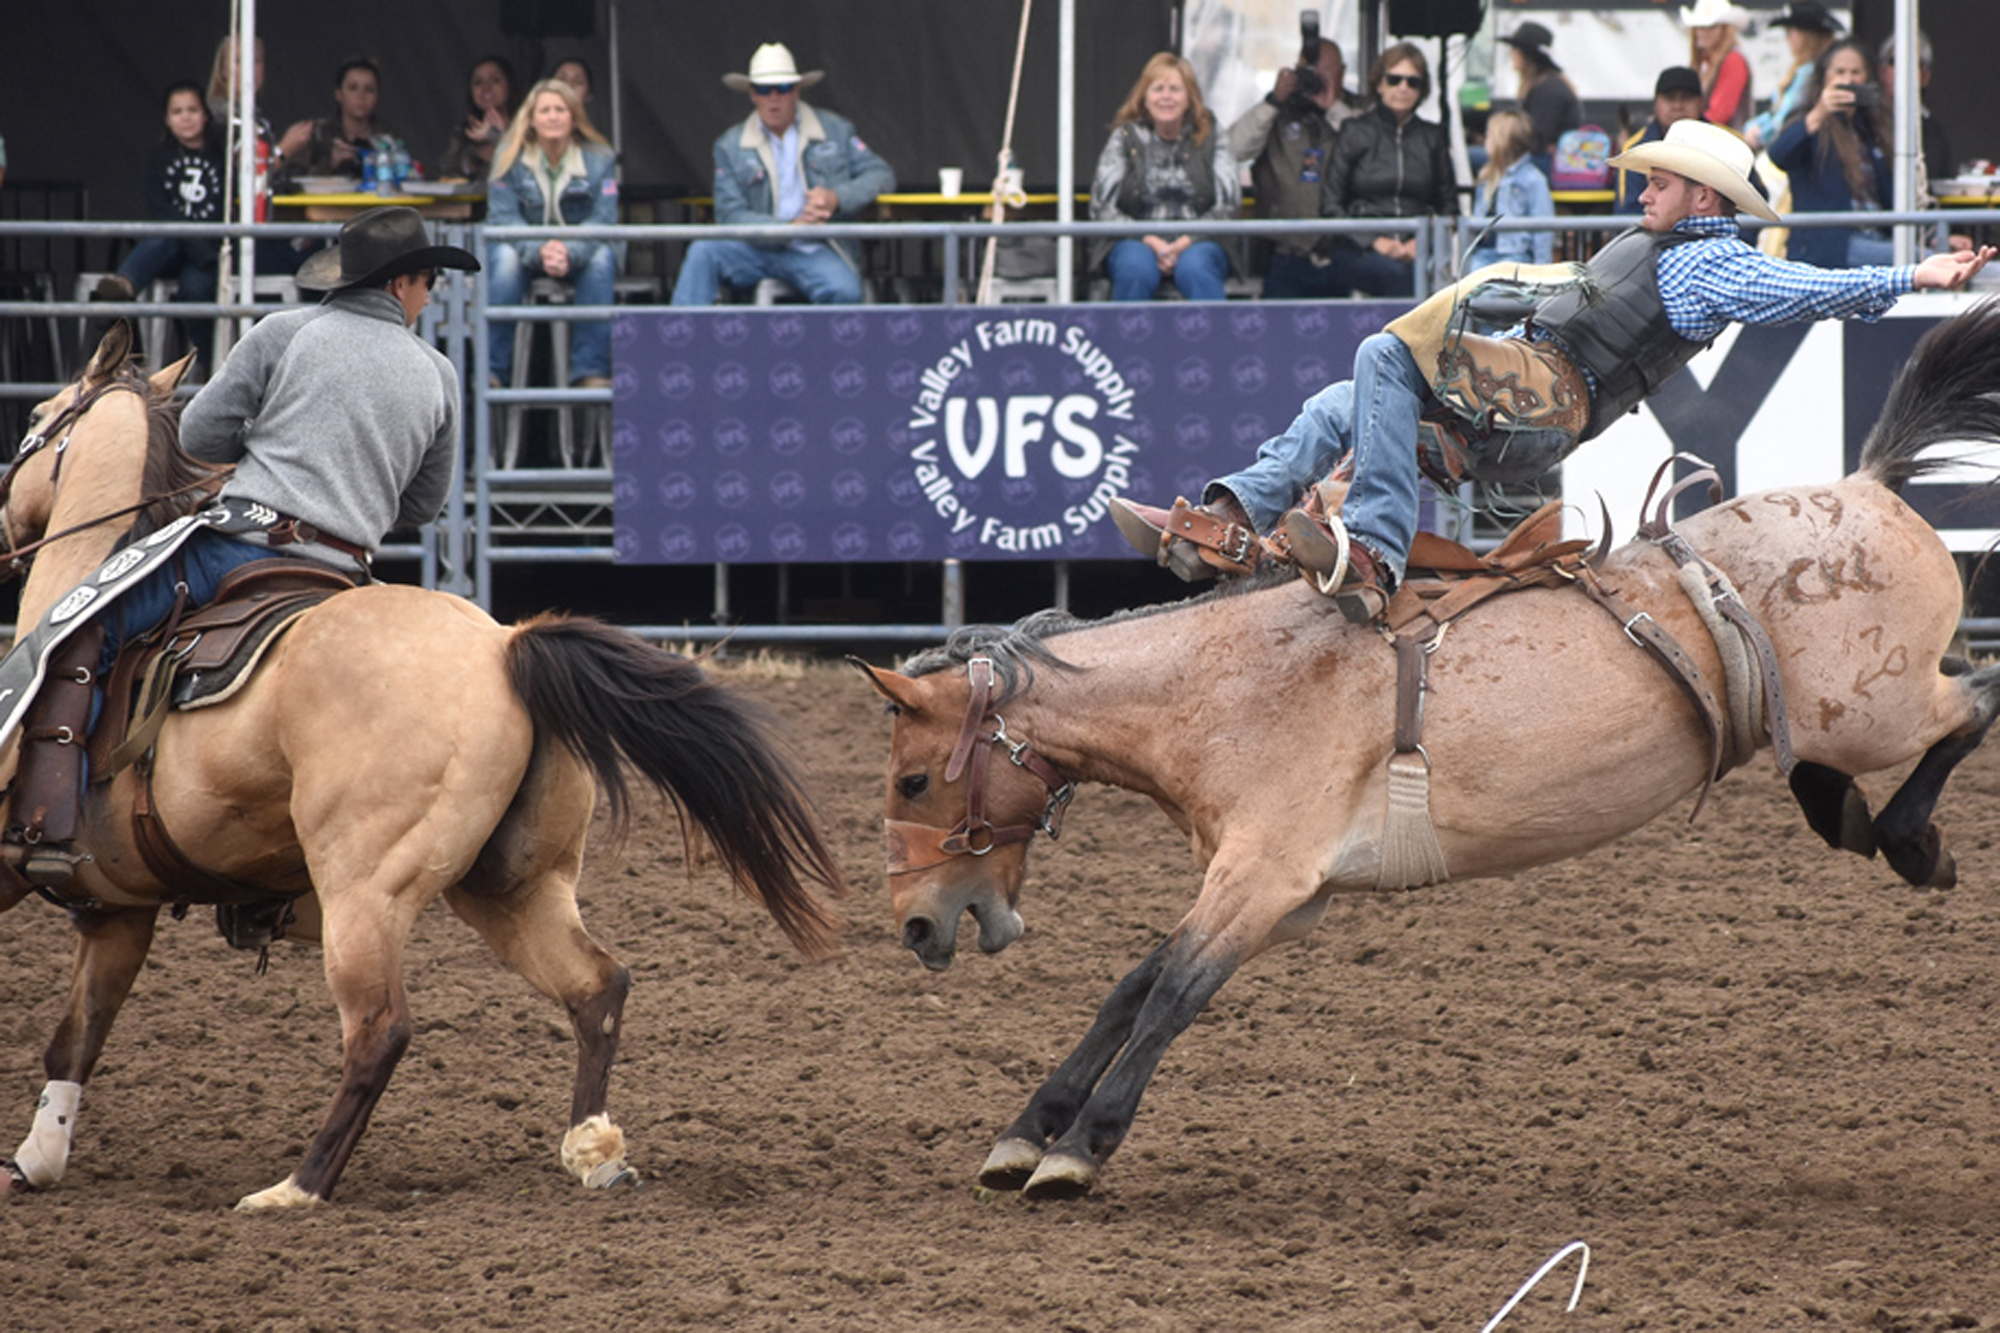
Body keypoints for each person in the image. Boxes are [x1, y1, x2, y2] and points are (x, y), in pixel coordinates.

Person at [1110, 119, 1992, 624]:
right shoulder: (1662, 246)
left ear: (1706, 199)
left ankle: (1374, 553)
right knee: (1342, 402)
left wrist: (1909, 275)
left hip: (1543, 397)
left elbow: (1798, 287)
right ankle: (1226, 524)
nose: (1644, 188)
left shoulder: (1706, 262)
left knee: (1383, 353)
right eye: (1649, 176)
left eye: (1664, 179)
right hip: (1524, 393)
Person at [11, 206, 478, 887]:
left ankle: (42, 820)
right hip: (344, 573)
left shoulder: (282, 333)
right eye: (429, 280)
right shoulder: (440, 376)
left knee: (78, 626)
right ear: (401, 283)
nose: (430, 295)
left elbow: (199, 438)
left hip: (241, 546)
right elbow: (423, 506)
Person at [670, 43, 893, 306]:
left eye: (783, 88)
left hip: (814, 246)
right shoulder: (729, 145)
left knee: (845, 291)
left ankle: (820, 348)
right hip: (755, 248)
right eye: (765, 90)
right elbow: (729, 214)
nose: (773, 98)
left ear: (797, 91)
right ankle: (680, 338)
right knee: (702, 252)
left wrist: (836, 198)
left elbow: (881, 174)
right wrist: (786, 229)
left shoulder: (835, 129)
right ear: (752, 94)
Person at [483, 78, 620, 389]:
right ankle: (493, 372)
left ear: (574, 117)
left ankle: (590, 371)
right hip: (525, 252)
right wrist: (540, 250)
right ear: (531, 119)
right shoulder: (509, 156)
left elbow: (603, 219)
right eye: (545, 110)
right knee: (503, 259)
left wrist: (569, 250)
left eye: (560, 109)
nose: (553, 116)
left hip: (580, 253)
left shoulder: (600, 158)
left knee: (602, 258)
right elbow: (503, 219)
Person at [92, 81, 230, 364]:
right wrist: (193, 242)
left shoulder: (223, 160)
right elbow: (160, 210)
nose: (186, 117)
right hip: (174, 249)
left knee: (197, 289)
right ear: (168, 120)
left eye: (192, 109)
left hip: (206, 255)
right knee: (162, 234)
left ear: (205, 114)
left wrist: (202, 251)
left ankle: (207, 364)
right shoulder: (158, 160)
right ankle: (123, 286)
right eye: (177, 111)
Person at [1089, 52, 1238, 302]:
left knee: (1196, 268)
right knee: (1136, 268)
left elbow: (1229, 204)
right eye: (1158, 89)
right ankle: (1127, 340)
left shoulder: (1213, 134)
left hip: (1201, 240)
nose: (1166, 97)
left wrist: (1185, 242)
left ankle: (1215, 341)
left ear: (1190, 98)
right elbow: (1101, 206)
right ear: (1144, 98)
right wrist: (1149, 240)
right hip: (1134, 240)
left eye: (1175, 89)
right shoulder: (1125, 137)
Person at [1225, 35, 1362, 299]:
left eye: (1324, 71)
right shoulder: (1278, 112)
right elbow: (1232, 149)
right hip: (1285, 254)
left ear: (1342, 72)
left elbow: (1372, 150)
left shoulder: (1357, 110)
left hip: (1345, 250)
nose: (1314, 78)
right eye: (1308, 71)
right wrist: (1275, 101)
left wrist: (1332, 106)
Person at [1319, 42, 1458, 298]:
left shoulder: (1432, 137)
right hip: (1359, 246)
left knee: (1439, 279)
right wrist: (1375, 241)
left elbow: (1448, 205)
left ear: (1422, 89)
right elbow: (1331, 205)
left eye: (1412, 82)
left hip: (1419, 246)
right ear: (1379, 84)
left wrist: (1420, 242)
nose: (1403, 88)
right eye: (1394, 80)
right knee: (1398, 276)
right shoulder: (1354, 131)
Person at [1768, 39, 1894, 268]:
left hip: (1879, 235)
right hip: (1833, 245)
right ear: (1824, 76)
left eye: (1856, 72)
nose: (1848, 80)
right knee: (1919, 256)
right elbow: (1778, 155)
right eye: (1840, 72)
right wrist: (1819, 113)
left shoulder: (1872, 126)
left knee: (1933, 253)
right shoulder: (1808, 121)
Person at [204, 34, 311, 274]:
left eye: (257, 61)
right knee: (313, 269)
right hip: (231, 237)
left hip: (264, 225)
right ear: (222, 70)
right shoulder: (219, 118)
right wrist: (284, 150)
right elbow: (243, 177)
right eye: (240, 61)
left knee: (317, 250)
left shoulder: (256, 117)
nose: (250, 69)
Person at [1744, 2, 1843, 154]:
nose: (1787, 38)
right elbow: (1775, 112)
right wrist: (1754, 126)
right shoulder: (1799, 69)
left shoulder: (1813, 73)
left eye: (1792, 32)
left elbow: (1787, 116)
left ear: (1808, 36)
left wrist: (1759, 134)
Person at [1463, 111, 1554, 271]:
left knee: (1496, 291)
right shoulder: (1486, 177)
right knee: (1471, 286)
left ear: (1503, 141)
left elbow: (1543, 229)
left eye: (1489, 135)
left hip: (1515, 254)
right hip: (1483, 253)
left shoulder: (1533, 179)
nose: (1485, 140)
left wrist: (1542, 270)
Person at [284, 57, 401, 181]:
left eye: (369, 89)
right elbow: (291, 181)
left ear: (377, 97)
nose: (361, 96)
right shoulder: (317, 133)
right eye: (353, 88)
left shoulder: (388, 137)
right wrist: (330, 164)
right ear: (339, 94)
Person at [1615, 67, 1707, 213]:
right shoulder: (1635, 149)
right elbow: (1629, 216)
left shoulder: (1730, 144)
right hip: (1654, 235)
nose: (1678, 106)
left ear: (1702, 102)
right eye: (1670, 98)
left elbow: (1748, 213)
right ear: (1655, 103)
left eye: (1687, 97)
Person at [1499, 22, 1580, 182]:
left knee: (1474, 159)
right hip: (1542, 157)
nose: (1511, 54)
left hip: (1548, 162)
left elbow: (1539, 139)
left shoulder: (1549, 90)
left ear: (1528, 56)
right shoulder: (1545, 85)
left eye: (1515, 49)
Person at [1879, 31, 1955, 188]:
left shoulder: (1936, 131)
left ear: (1925, 77)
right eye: (1895, 61)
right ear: (1881, 71)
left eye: (1913, 63)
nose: (1904, 70)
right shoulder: (1863, 120)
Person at [437, 55, 518, 181]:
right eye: (478, 83)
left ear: (510, 85)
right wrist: (472, 158)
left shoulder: (526, 126)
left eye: (495, 80)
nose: (486, 88)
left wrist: (496, 137)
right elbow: (446, 169)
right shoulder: (466, 131)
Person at [1682, 0, 1753, 131]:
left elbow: (1720, 114)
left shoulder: (1733, 60)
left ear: (1725, 29)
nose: (1704, 32)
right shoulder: (1707, 63)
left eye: (1711, 27)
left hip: (1726, 141)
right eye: (1699, 27)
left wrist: (1688, 128)